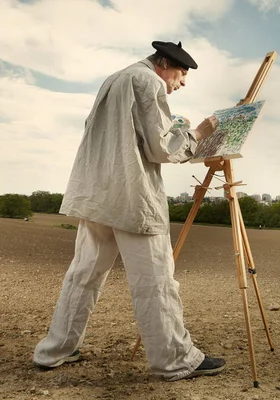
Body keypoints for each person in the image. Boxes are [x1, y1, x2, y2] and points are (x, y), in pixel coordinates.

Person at [33, 40, 225, 382]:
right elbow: (161, 148)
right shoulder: (149, 82)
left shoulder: (116, 78)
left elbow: (126, 135)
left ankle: (54, 350)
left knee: (83, 275)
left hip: (97, 195)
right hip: (132, 199)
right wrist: (198, 132)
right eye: (181, 74)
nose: (181, 83)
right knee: (155, 281)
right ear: (164, 63)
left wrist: (174, 126)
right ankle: (175, 360)